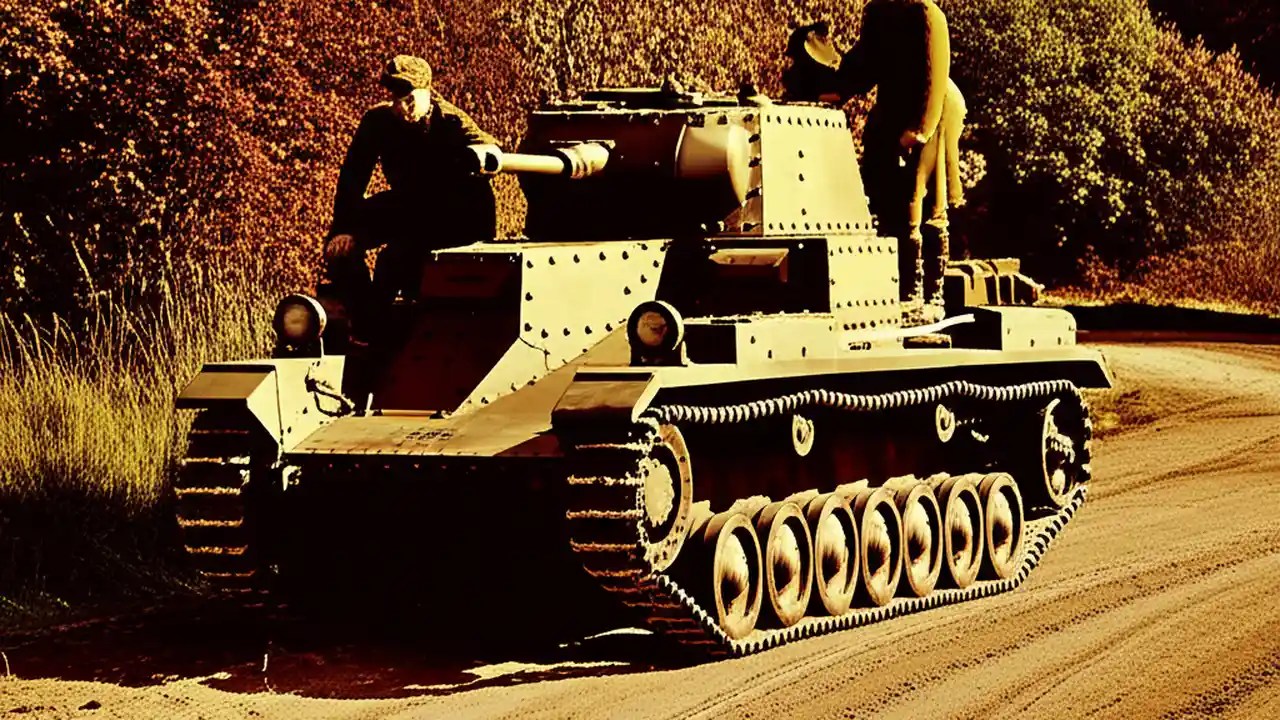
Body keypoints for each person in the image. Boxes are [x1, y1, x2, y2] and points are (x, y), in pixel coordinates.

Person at [783, 5, 966, 323]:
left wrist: (919, 130)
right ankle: (898, 289)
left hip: (932, 112)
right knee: (884, 199)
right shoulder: (879, 12)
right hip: (892, 108)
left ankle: (923, 297)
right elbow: (863, 67)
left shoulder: (924, 12)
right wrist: (826, 74)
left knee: (919, 202)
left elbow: (935, 75)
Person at [323, 54, 501, 338]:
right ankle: (368, 324)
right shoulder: (377, 121)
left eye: (408, 99)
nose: (401, 107)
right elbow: (353, 177)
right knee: (338, 249)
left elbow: (490, 149)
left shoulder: (452, 121)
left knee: (393, 262)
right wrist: (346, 229)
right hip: (408, 204)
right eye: (395, 98)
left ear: (427, 92)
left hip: (456, 213)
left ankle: (389, 323)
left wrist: (476, 157)